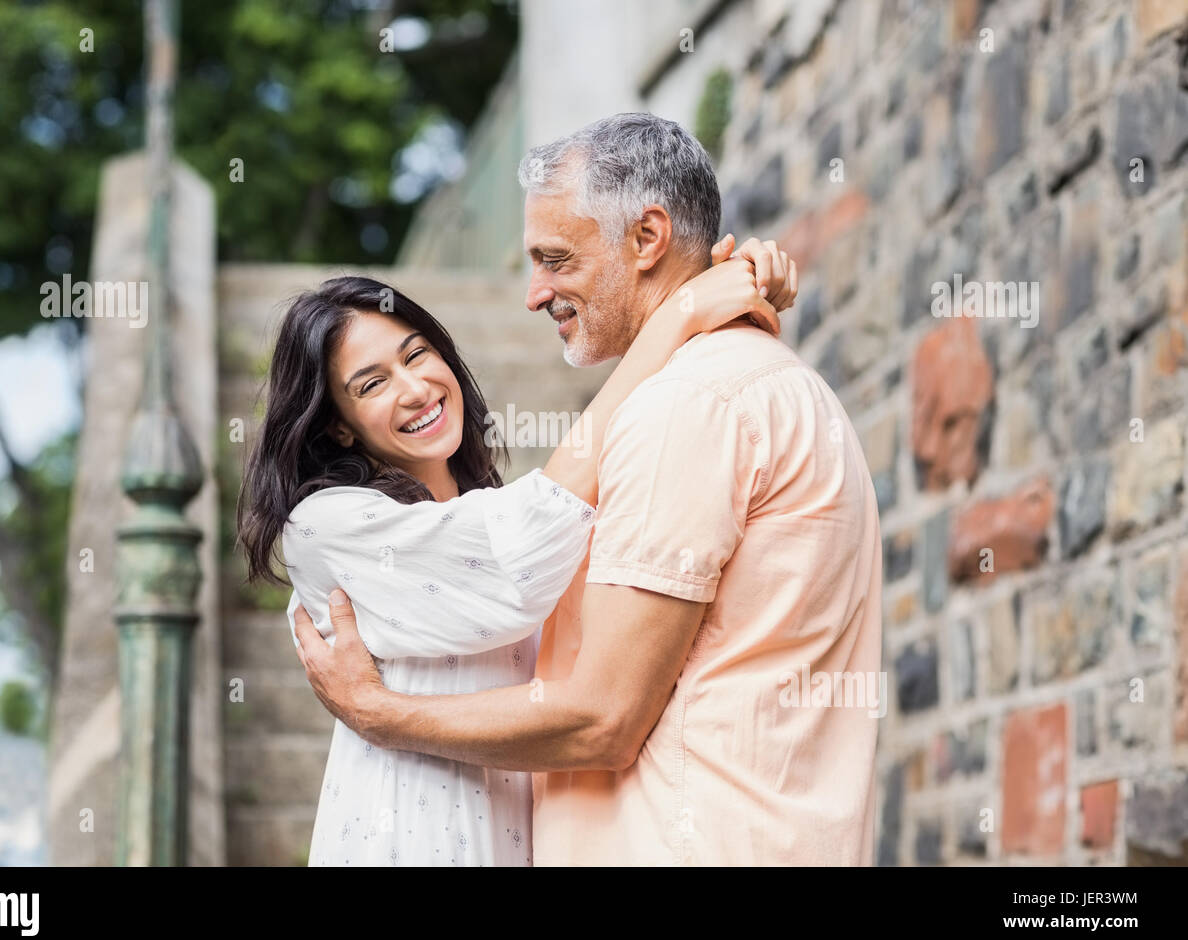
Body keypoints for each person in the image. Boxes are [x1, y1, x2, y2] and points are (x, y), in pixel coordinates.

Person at [292, 112, 884, 866]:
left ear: (647, 238)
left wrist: (384, 714)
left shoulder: (688, 405)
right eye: (371, 382)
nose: (535, 293)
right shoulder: (764, 382)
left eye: (555, 258)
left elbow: (602, 717)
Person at [236, 245, 795, 865]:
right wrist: (681, 313)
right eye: (372, 384)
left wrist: (728, 274)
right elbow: (519, 561)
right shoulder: (324, 526)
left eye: (417, 354)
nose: (416, 388)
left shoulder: (483, 508)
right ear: (339, 426)